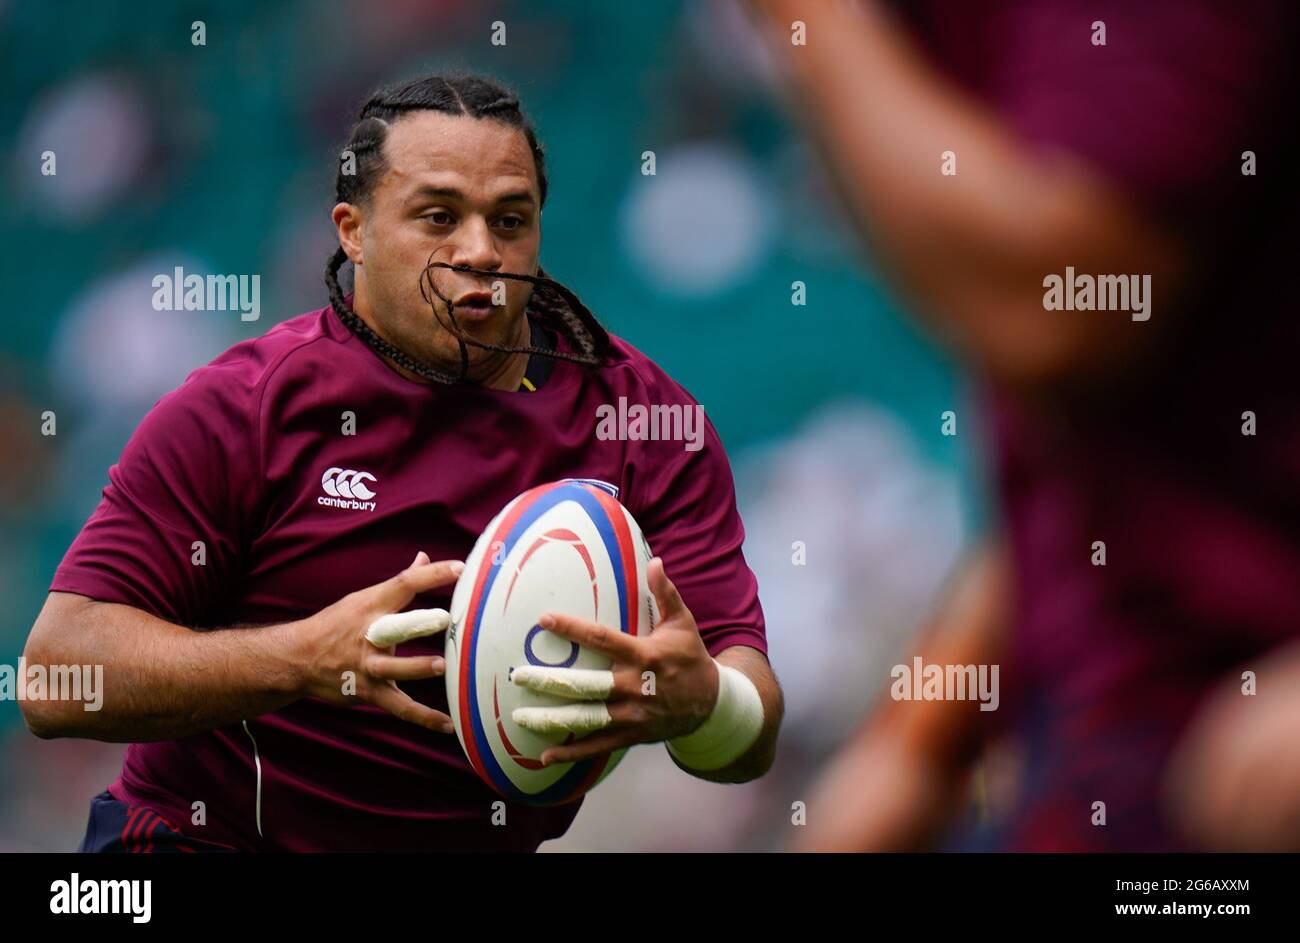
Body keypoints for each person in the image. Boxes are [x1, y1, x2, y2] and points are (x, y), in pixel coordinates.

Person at [21, 72, 782, 852]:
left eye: (510, 219)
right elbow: (52, 677)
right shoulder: (242, 409)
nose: (481, 251)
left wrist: (705, 706)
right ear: (353, 230)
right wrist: (300, 657)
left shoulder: (648, 424)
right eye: (439, 217)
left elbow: (750, 722)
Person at [751, 0, 1300, 850]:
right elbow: (1130, 447)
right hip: (1105, 742)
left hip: (1212, 760)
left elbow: (1063, 304)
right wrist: (916, 742)